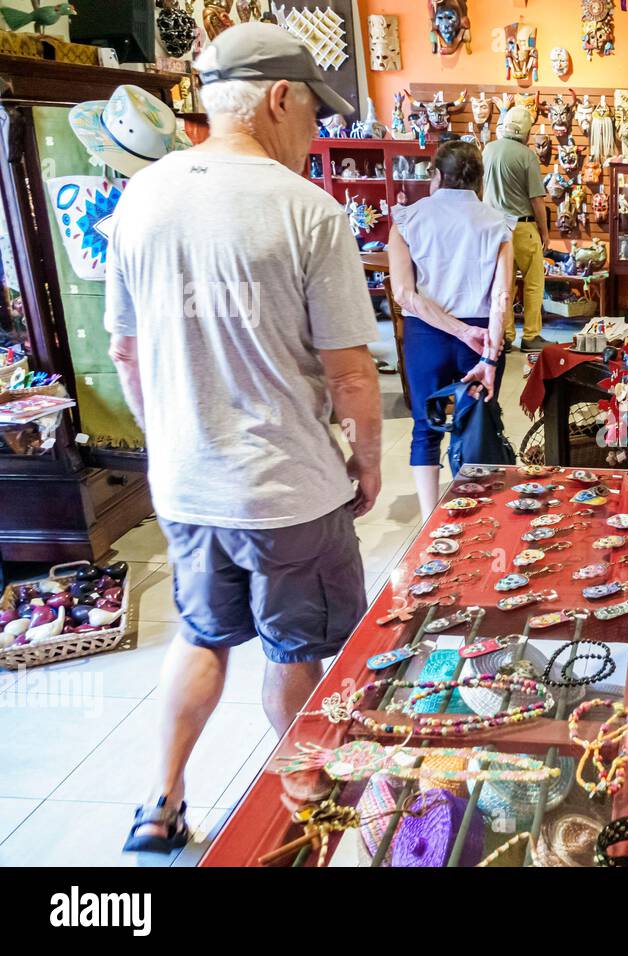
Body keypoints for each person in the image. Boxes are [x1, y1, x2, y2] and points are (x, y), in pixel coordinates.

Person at [106, 22, 382, 854]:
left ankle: (162, 799)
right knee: (297, 647)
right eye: (314, 114)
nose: (316, 133)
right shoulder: (307, 211)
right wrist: (366, 469)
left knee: (199, 636)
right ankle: (305, 804)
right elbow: (352, 376)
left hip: (188, 485)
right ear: (279, 97)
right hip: (287, 488)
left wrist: (174, 443)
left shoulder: (142, 199)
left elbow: (124, 350)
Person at [387, 140, 512, 517]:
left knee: (425, 426)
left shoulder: (408, 219)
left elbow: (405, 295)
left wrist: (456, 330)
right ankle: (477, 513)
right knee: (476, 422)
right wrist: (488, 355)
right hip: (482, 333)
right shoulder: (499, 221)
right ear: (480, 180)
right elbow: (502, 296)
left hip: (427, 332)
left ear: (437, 175)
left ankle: (428, 519)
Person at [482, 105, 549, 351]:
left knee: (503, 285)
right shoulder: (526, 155)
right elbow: (536, 199)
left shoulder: (488, 150)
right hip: (523, 228)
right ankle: (531, 336)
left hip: (495, 228)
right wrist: (544, 232)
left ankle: (505, 335)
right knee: (533, 283)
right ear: (527, 131)